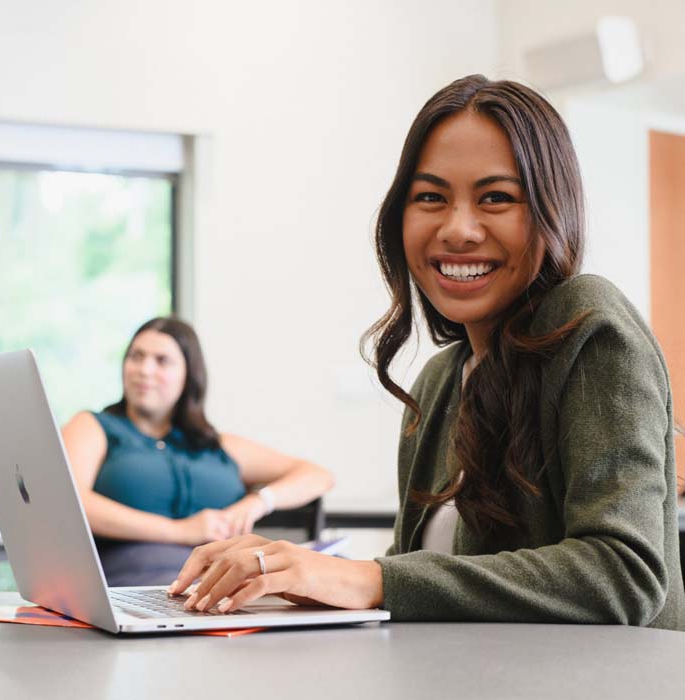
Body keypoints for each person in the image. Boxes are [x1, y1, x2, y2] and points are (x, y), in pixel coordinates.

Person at [171, 75, 685, 630]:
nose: (458, 230)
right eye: (430, 198)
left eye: (496, 198)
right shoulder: (439, 382)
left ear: (549, 211)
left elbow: (625, 576)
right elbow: (427, 587)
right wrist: (287, 580)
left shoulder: (588, 319)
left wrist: (367, 579)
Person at [62, 317, 334, 586]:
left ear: (188, 374)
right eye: (136, 356)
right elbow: (71, 500)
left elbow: (317, 476)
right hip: (140, 581)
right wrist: (181, 531)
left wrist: (258, 501)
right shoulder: (94, 427)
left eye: (162, 360)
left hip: (227, 588)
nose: (144, 369)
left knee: (323, 582)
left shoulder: (219, 446)